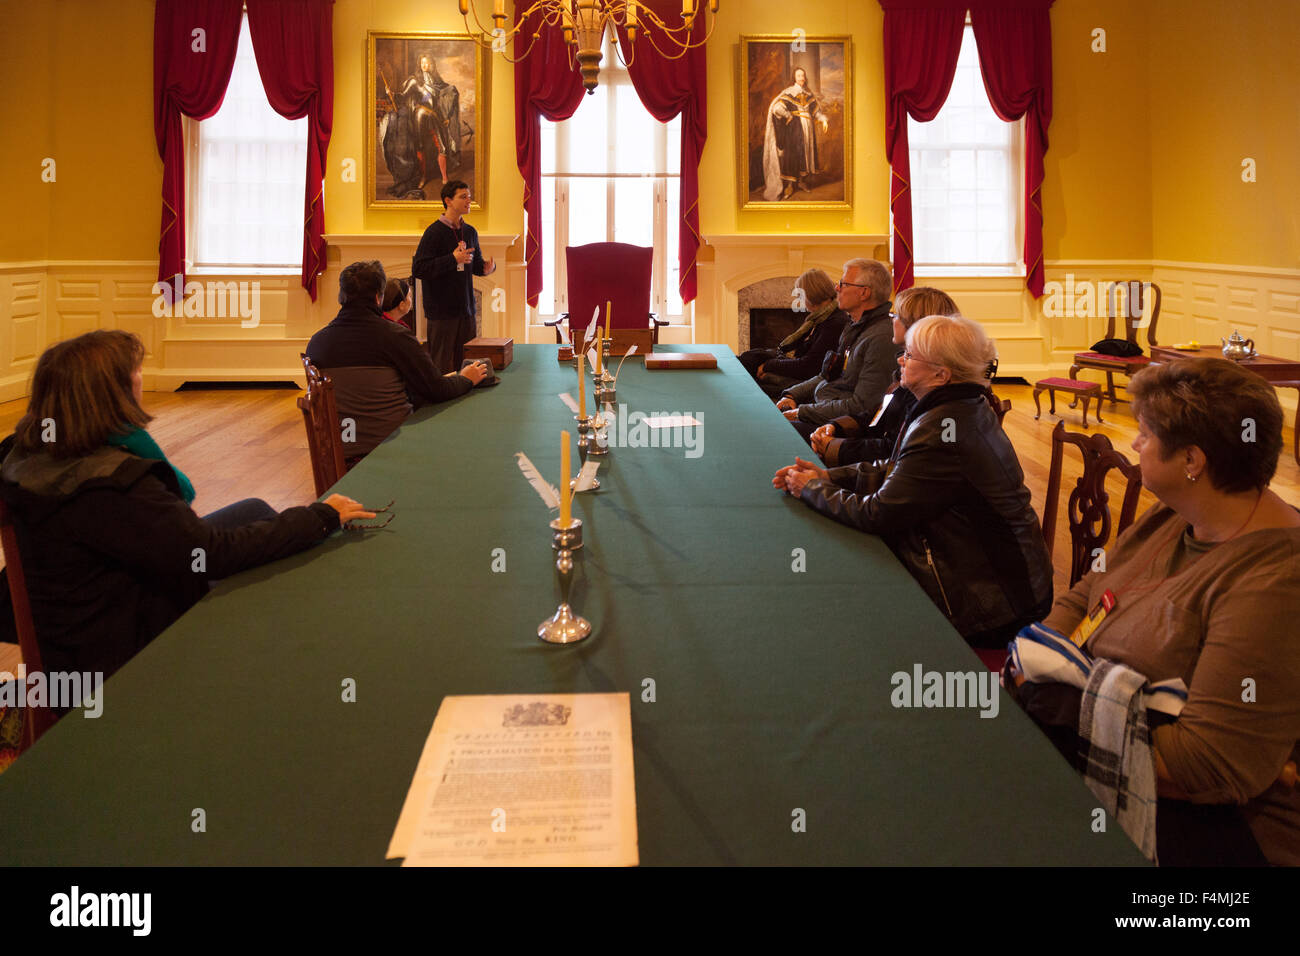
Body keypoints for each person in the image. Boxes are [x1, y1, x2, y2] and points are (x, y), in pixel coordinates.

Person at [1009, 358, 1300, 866]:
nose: (1135, 445)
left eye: (1144, 433)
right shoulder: (1178, 512)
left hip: (1211, 834)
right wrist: (1038, 654)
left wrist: (1052, 701)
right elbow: (1089, 592)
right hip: (1103, 751)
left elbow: (1206, 766)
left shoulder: (1274, 583)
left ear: (1193, 460)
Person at [0, 330, 375, 684]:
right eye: (135, 372)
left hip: (88, 615)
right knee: (277, 564)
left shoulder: (30, 453)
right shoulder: (110, 484)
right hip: (126, 650)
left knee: (253, 509)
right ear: (112, 395)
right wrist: (320, 517)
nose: (141, 378)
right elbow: (210, 554)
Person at [774, 314, 1052, 647]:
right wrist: (826, 475)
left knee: (844, 599)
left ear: (941, 373)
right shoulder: (952, 406)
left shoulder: (946, 427)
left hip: (994, 605)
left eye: (910, 354)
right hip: (992, 578)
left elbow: (877, 514)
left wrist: (811, 488)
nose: (901, 359)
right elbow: (896, 467)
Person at [307, 260, 487, 461]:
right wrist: (466, 378)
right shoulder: (394, 336)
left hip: (339, 450)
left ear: (341, 296)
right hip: (391, 448)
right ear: (378, 298)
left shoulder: (317, 343)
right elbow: (437, 389)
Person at [809, 286, 960, 466]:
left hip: (877, 467)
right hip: (866, 449)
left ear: (916, 326)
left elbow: (894, 450)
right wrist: (835, 426)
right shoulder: (908, 368)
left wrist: (836, 447)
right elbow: (878, 416)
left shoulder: (926, 380)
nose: (891, 321)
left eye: (895, 315)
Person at [776, 258, 897, 442]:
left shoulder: (881, 338)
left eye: (843, 284)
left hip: (844, 428)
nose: (837, 288)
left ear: (864, 292)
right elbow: (827, 375)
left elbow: (862, 406)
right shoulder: (853, 327)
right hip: (825, 409)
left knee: (775, 431)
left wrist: (801, 412)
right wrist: (793, 394)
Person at [412, 180, 497, 374]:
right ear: (448, 201)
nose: (469, 200)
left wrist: (487, 268)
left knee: (468, 364)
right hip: (441, 313)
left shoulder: (470, 231)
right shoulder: (433, 233)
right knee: (440, 366)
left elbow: (475, 265)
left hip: (466, 310)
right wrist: (452, 258)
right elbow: (419, 269)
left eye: (469, 196)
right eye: (463, 197)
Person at [738, 269, 848, 399]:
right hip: (800, 365)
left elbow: (808, 367)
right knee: (752, 358)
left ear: (811, 294)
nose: (799, 299)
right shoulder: (821, 318)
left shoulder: (833, 323)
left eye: (800, 295)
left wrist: (769, 365)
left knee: (750, 379)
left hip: (807, 379)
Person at [385, 53, 461, 189]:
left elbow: (441, 100)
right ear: (419, 65)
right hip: (420, 116)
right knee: (420, 147)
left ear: (432, 65)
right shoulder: (415, 81)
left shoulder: (437, 82)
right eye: (422, 63)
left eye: (428, 63)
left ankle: (444, 177)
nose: (425, 65)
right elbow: (402, 97)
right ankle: (423, 177)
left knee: (442, 147)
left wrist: (447, 115)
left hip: (434, 117)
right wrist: (392, 94)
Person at [761, 67, 829, 201]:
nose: (802, 78)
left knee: (806, 155)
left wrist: (823, 120)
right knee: (793, 156)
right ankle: (790, 185)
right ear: (794, 78)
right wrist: (789, 116)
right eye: (799, 76)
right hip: (795, 130)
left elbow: (816, 112)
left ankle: (801, 181)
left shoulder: (809, 95)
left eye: (803, 76)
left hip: (808, 130)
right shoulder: (788, 93)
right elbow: (777, 108)